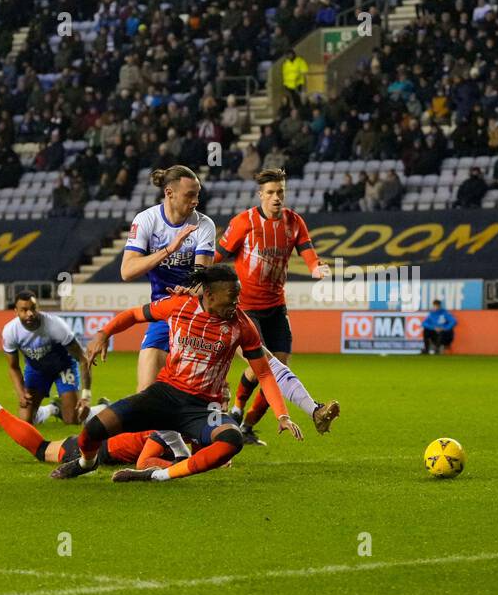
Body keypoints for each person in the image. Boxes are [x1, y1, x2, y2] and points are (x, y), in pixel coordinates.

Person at [51, 264, 304, 482]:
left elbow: (264, 374)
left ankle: (157, 475)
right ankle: (86, 464)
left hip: (206, 408)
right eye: (232, 298)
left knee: (231, 441)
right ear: (210, 295)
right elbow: (134, 314)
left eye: (238, 297)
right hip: (164, 395)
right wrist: (104, 333)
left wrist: (282, 415)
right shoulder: (178, 306)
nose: (237, 303)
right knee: (94, 429)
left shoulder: (243, 326)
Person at [215, 169, 338, 444]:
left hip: (276, 307)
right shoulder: (243, 223)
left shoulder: (294, 223)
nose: (276, 197)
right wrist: (198, 281)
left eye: (280, 191)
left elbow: (310, 256)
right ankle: (238, 410)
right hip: (244, 308)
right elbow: (216, 257)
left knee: (275, 367)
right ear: (261, 195)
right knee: (267, 367)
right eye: (270, 192)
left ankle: (245, 425)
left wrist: (318, 269)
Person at [119, 165, 217, 392]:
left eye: (197, 195)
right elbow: (127, 271)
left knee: (195, 394)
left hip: (196, 313)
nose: (195, 201)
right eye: (190, 195)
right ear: (169, 193)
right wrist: (168, 250)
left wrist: (187, 292)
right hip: (163, 312)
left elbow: (201, 280)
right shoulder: (146, 220)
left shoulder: (203, 225)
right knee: (145, 392)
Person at [0, 385, 187, 467]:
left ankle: (94, 407)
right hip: (100, 447)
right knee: (42, 450)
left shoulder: (171, 416)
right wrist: (182, 465)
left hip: (106, 437)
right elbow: (144, 463)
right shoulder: (168, 428)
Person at [1, 290, 97, 426]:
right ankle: (53, 408)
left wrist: (86, 396)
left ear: (38, 308)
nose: (30, 314)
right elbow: (13, 367)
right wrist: (21, 392)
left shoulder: (55, 326)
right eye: (24, 310)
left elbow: (83, 359)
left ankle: (103, 408)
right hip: (37, 370)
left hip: (63, 368)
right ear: (16, 311)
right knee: (25, 421)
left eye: (33, 308)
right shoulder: (10, 331)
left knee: (73, 420)